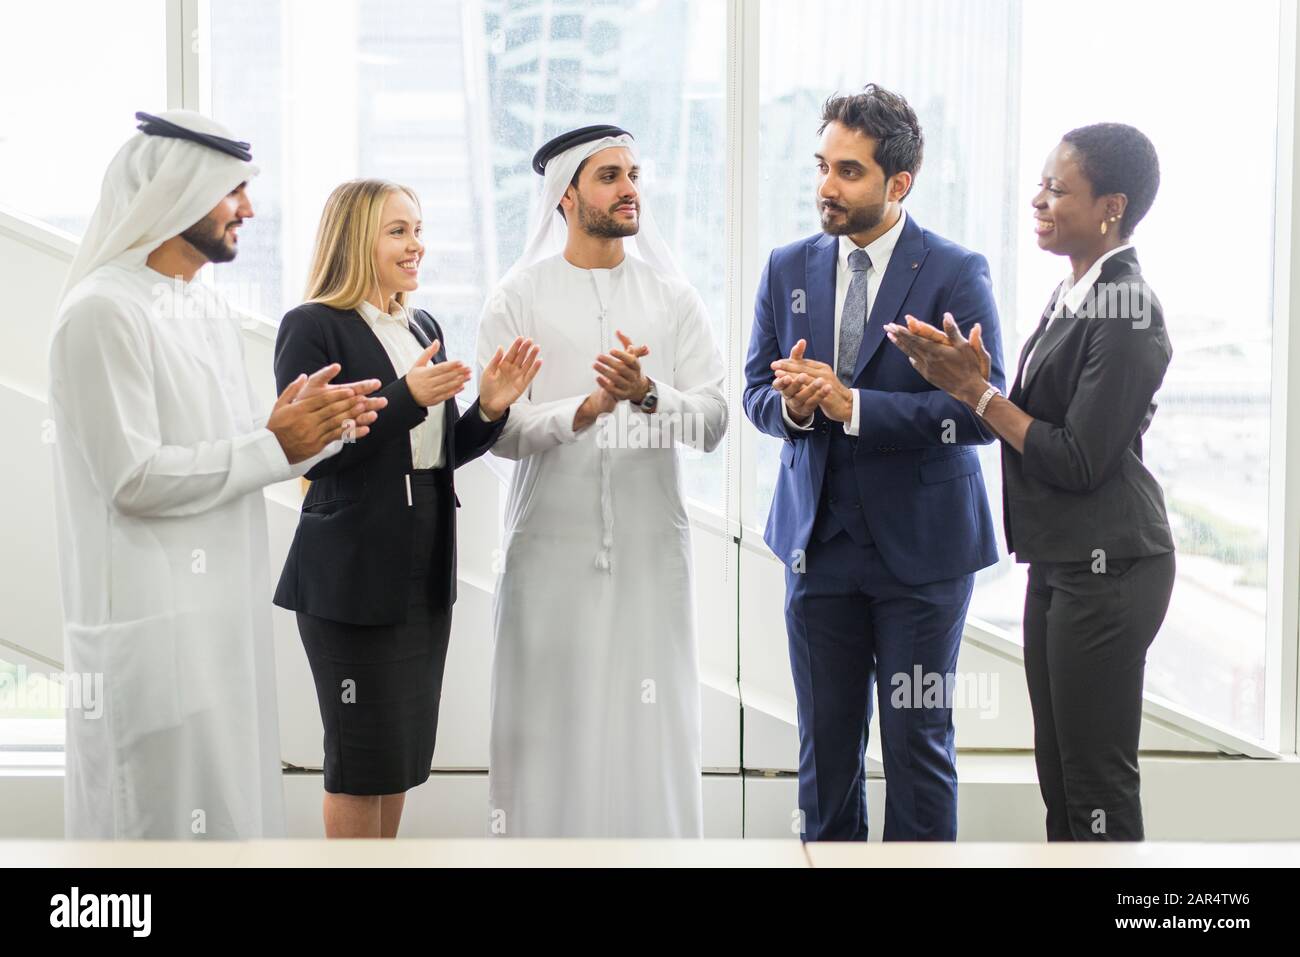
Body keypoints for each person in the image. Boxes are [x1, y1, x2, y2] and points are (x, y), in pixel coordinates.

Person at [48, 110, 386, 839]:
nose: (249, 210)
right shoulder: (102, 312)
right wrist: (274, 443)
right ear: (175, 190)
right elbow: (133, 478)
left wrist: (316, 433)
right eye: (232, 191)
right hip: (152, 634)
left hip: (221, 626)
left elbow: (238, 450)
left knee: (230, 821)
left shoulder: (205, 307)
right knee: (155, 830)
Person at [886, 123, 1174, 841]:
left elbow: (1077, 457)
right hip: (1062, 557)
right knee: (1062, 772)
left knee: (1095, 777)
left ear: (1111, 205)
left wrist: (976, 393)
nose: (1039, 200)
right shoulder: (1073, 292)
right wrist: (971, 376)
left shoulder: (1130, 310)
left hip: (1111, 563)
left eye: (1057, 188)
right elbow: (1037, 416)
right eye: (1040, 185)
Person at [743, 85, 1006, 841]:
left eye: (848, 171)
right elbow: (757, 392)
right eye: (822, 166)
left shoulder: (956, 271)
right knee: (824, 752)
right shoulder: (786, 265)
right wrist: (795, 405)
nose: (827, 186)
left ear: (899, 184)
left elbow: (977, 410)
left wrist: (848, 404)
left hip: (921, 555)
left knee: (917, 748)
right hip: (816, 548)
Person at [476, 125, 727, 837]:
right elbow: (500, 433)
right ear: (566, 196)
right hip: (548, 553)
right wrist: (580, 410)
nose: (630, 189)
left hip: (651, 557)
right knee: (548, 729)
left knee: (652, 728)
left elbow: (711, 421)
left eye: (635, 174)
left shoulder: (672, 297)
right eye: (610, 176)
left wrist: (649, 393)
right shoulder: (516, 298)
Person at [272, 179, 539, 838]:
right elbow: (316, 453)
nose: (417, 244)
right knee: (360, 763)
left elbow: (437, 453)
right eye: (398, 230)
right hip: (351, 576)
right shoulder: (312, 326)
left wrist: (491, 408)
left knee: (398, 763)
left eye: (418, 228)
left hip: (422, 567)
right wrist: (408, 394)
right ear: (355, 239)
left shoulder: (422, 326)